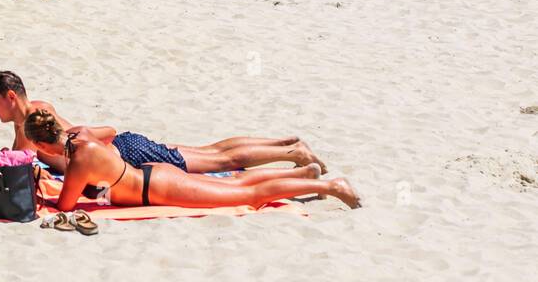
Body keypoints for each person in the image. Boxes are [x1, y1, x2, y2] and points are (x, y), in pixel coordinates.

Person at [0, 70, 328, 175]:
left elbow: (13, 163)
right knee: (210, 150)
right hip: (125, 148)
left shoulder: (31, 123)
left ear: (11, 97)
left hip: (126, 157)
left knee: (220, 162)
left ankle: (293, 152)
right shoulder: (37, 111)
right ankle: (283, 143)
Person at [22, 111, 360, 214]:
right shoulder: (81, 135)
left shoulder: (79, 159)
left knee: (247, 193)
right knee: (237, 182)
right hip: (153, 175)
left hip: (157, 188)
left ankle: (328, 185)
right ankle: (306, 174)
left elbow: (66, 205)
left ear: (41, 144)